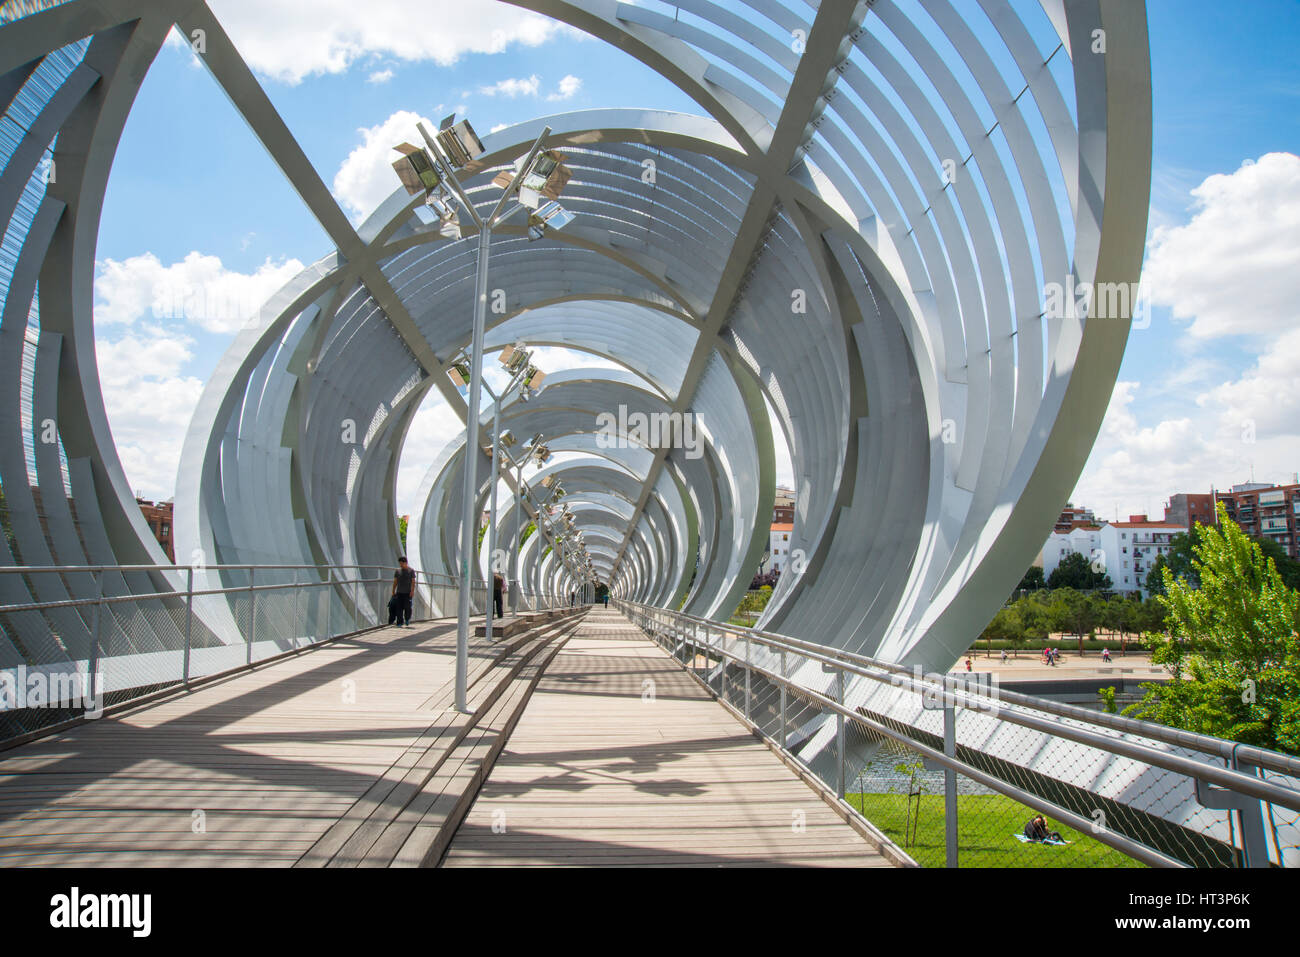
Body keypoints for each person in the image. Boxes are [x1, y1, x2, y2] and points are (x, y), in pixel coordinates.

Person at [390, 556, 415, 627]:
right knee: (399, 608)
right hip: (399, 592)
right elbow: (395, 582)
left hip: (407, 593)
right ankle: (399, 622)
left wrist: (412, 591)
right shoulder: (398, 571)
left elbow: (413, 582)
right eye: (400, 563)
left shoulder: (411, 571)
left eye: (401, 563)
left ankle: (407, 618)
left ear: (405, 563)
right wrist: (393, 591)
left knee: (408, 607)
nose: (400, 565)